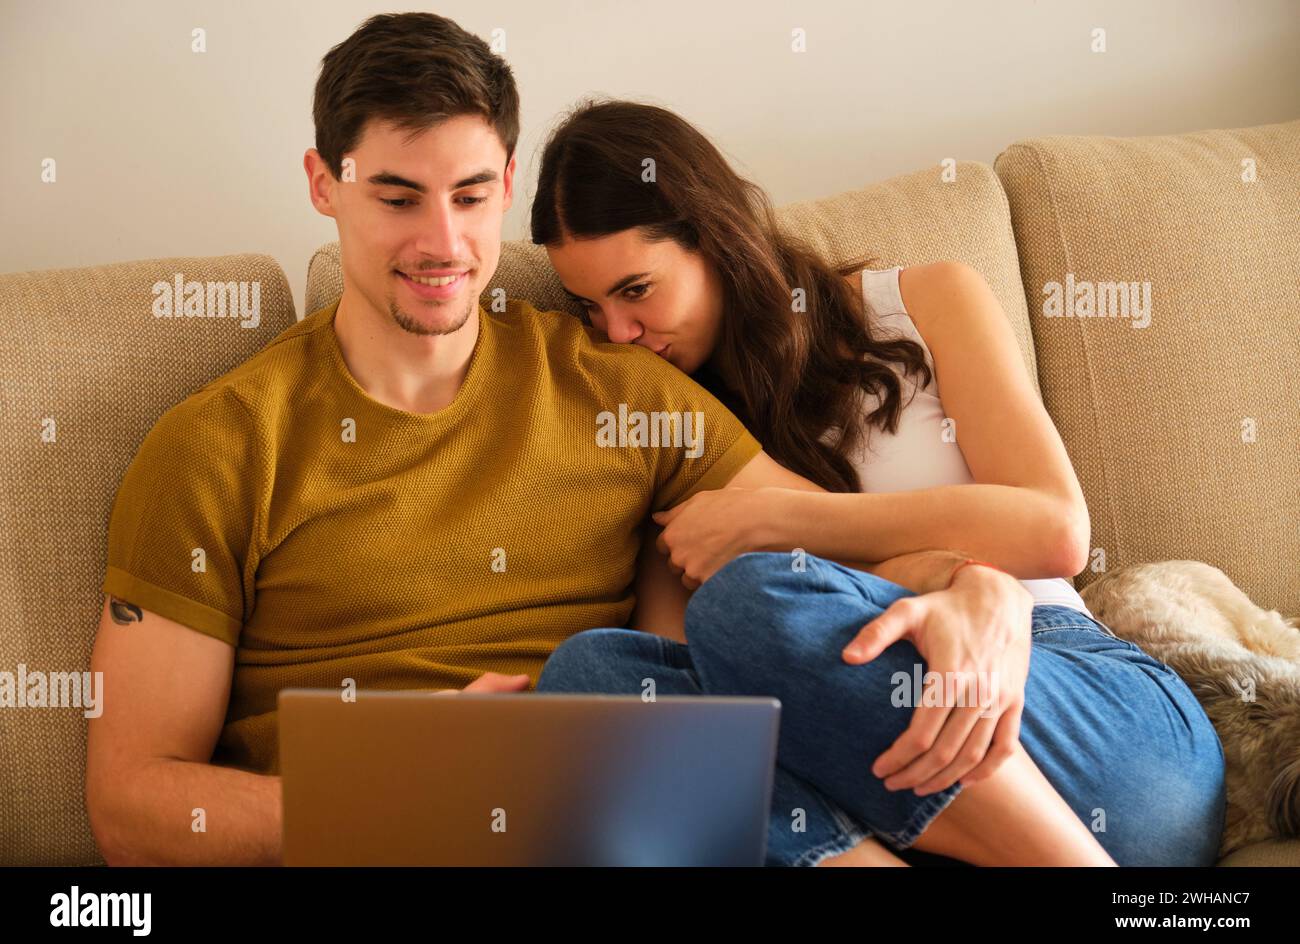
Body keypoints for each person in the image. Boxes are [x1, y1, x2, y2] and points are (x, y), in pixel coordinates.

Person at [84, 12, 1021, 867]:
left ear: (507, 186)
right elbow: (130, 808)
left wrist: (979, 586)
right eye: (399, 198)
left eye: (471, 195)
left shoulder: (617, 387)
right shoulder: (218, 446)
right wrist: (396, 792)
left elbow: (833, 556)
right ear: (326, 185)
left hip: (629, 815)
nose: (442, 242)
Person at [528, 99, 1228, 866]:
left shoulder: (923, 301)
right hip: (886, 784)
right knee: (591, 677)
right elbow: (682, 693)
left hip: (1078, 711)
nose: (618, 334)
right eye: (589, 309)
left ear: (715, 239)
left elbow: (1055, 530)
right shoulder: (672, 430)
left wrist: (779, 524)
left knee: (747, 598)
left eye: (636, 290)